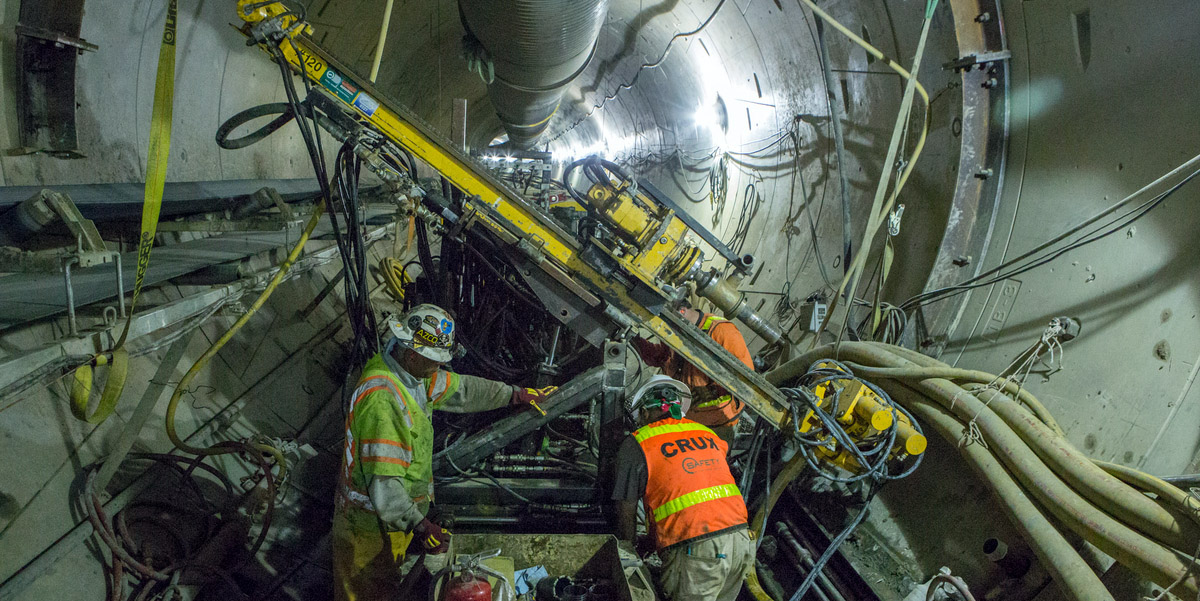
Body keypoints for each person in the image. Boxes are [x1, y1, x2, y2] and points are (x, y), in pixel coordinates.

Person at [332, 303, 554, 601]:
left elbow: (462, 390)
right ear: (412, 354)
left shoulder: (411, 374)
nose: (439, 367)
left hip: (387, 523)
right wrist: (422, 527)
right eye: (434, 361)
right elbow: (384, 485)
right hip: (368, 529)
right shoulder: (383, 400)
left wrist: (515, 394)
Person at [611, 375, 754, 601]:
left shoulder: (639, 442)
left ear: (646, 413)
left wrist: (629, 553)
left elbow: (626, 510)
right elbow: (688, 489)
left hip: (697, 551)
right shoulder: (706, 433)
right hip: (741, 541)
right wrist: (652, 540)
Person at [634, 304, 754, 450]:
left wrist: (714, 391)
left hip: (718, 423)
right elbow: (662, 357)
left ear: (681, 311)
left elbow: (747, 381)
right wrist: (636, 341)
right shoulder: (675, 330)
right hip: (689, 421)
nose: (664, 326)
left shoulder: (722, 331)